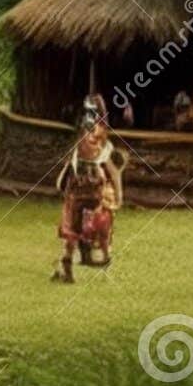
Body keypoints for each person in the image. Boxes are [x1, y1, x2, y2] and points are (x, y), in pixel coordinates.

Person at [53, 117, 122, 283]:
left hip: (94, 199)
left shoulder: (104, 151)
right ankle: (67, 266)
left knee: (97, 230)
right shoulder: (77, 151)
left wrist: (118, 196)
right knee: (72, 233)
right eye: (89, 133)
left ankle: (96, 259)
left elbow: (114, 173)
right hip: (76, 197)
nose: (92, 138)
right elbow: (65, 175)